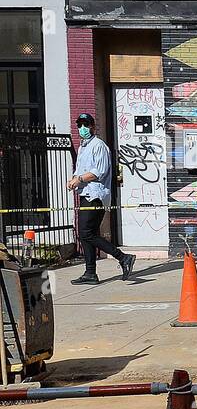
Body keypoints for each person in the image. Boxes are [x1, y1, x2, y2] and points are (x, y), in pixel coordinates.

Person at [68, 113, 135, 285]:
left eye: (86, 124)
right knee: (87, 234)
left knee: (86, 233)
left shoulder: (99, 146)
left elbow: (100, 171)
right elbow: (80, 169)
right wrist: (73, 179)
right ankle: (90, 272)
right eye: (80, 125)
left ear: (93, 126)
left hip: (95, 195)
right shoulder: (83, 147)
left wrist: (79, 179)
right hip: (85, 193)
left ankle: (123, 257)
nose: (82, 128)